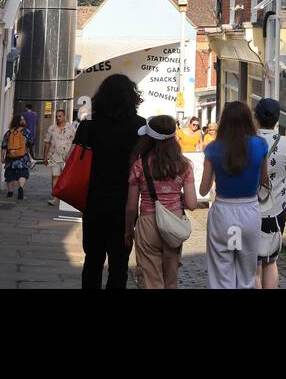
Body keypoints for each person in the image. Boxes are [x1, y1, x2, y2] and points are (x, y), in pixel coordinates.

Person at [74, 74, 145, 289]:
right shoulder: (139, 126)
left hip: (93, 200)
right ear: (131, 97)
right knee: (119, 263)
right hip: (125, 204)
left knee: (93, 260)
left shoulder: (88, 125)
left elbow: (75, 158)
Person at [199, 101, 267, 289]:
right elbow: (263, 179)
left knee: (221, 272)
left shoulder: (213, 148)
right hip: (249, 211)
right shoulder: (260, 145)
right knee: (247, 273)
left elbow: (203, 190)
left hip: (223, 212)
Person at [125, 114, 198, 289]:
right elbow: (192, 204)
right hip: (173, 223)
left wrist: (128, 230)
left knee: (150, 279)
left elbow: (131, 206)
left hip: (148, 223)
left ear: (148, 139)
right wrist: (175, 197)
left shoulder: (139, 165)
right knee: (171, 278)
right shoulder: (184, 165)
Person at [253, 98, 286, 289]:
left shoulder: (248, 141)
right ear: (277, 118)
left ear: (256, 116)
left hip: (250, 209)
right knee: (270, 261)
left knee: (253, 264)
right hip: (277, 209)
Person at [44, 108, 77, 205]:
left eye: (60, 116)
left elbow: (75, 143)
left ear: (64, 116)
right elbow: (47, 143)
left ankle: (65, 197)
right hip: (54, 156)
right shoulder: (51, 128)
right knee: (55, 176)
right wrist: (45, 157)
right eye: (56, 116)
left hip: (67, 156)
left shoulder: (71, 128)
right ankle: (54, 197)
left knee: (66, 177)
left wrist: (73, 155)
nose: (58, 118)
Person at [1, 114, 32, 199]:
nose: (24, 121)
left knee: (9, 174)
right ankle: (21, 187)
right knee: (23, 173)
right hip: (22, 157)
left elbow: (4, 146)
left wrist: (2, 157)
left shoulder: (9, 132)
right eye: (22, 120)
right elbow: (30, 144)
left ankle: (10, 191)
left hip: (10, 157)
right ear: (19, 121)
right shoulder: (27, 132)